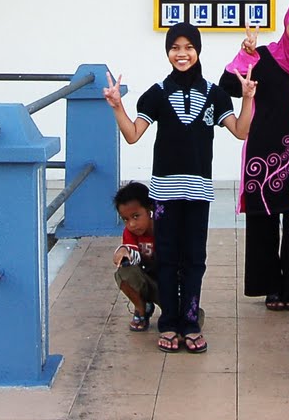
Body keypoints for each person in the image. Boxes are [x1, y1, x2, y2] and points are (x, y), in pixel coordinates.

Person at [103, 22, 256, 354]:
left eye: (188, 47)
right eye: (175, 47)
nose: (181, 53)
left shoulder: (215, 94)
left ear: (197, 51)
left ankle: (190, 322)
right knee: (169, 257)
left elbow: (241, 131)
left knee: (195, 259)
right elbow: (133, 135)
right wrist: (117, 106)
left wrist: (247, 99)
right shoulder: (155, 94)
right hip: (164, 195)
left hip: (199, 193)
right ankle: (169, 322)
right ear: (168, 52)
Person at [220, 0, 289, 311]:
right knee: (263, 221)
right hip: (264, 152)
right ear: (286, 18)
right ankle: (270, 288)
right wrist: (243, 55)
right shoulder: (262, 56)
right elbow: (228, 87)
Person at [112, 181, 159, 332]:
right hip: (146, 280)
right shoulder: (130, 233)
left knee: (192, 318)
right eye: (126, 219)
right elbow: (133, 254)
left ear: (150, 210)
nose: (131, 224)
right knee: (123, 273)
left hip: (170, 284)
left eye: (136, 216)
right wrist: (123, 252)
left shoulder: (164, 228)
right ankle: (142, 308)